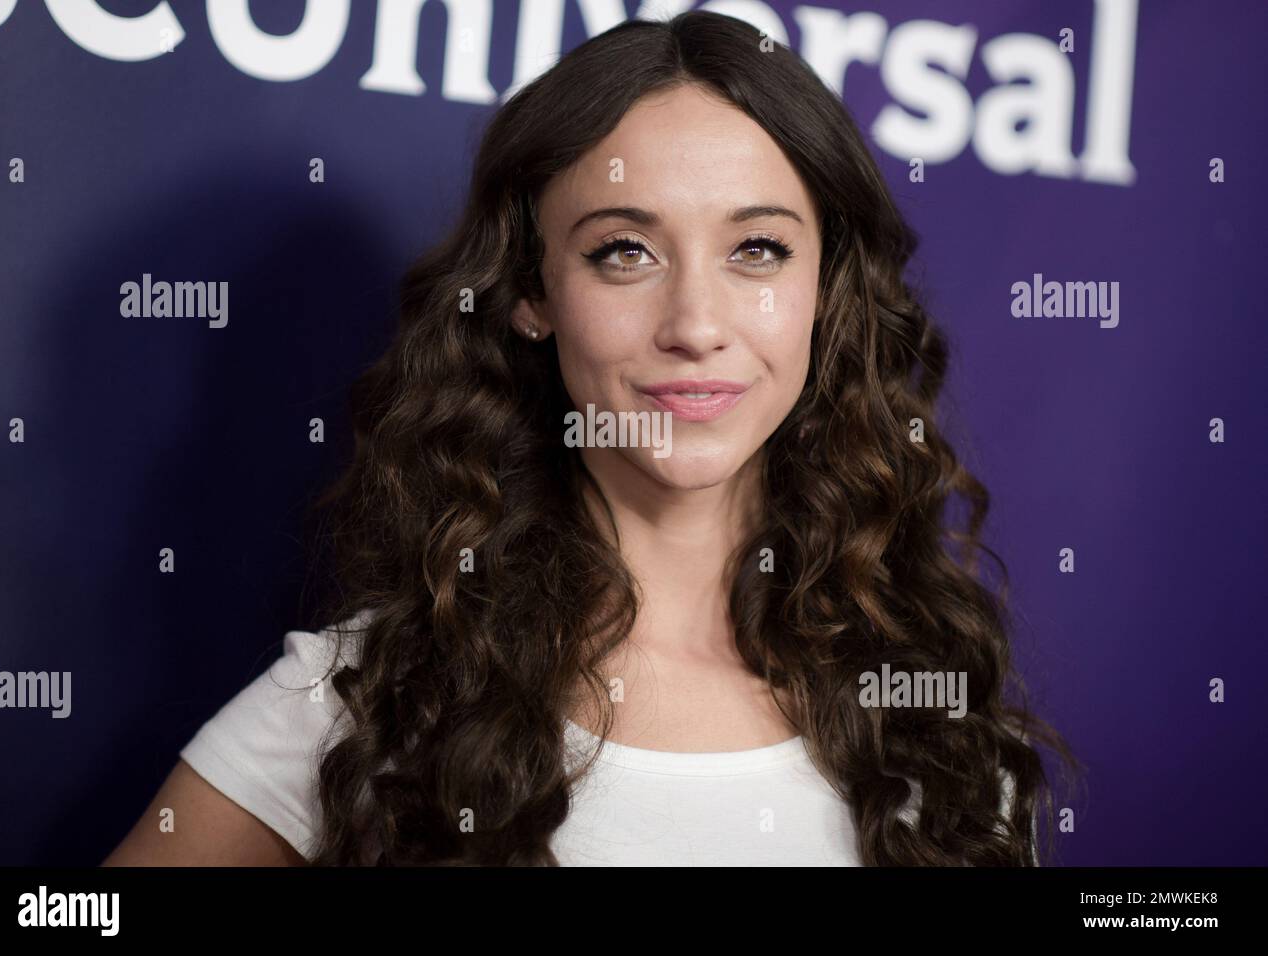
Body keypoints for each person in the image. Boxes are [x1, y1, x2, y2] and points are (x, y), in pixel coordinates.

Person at [104, 10, 1069, 867]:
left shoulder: (942, 731)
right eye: (624, 251)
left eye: (758, 250)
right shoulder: (365, 702)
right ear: (533, 294)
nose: (696, 322)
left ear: (826, 294)